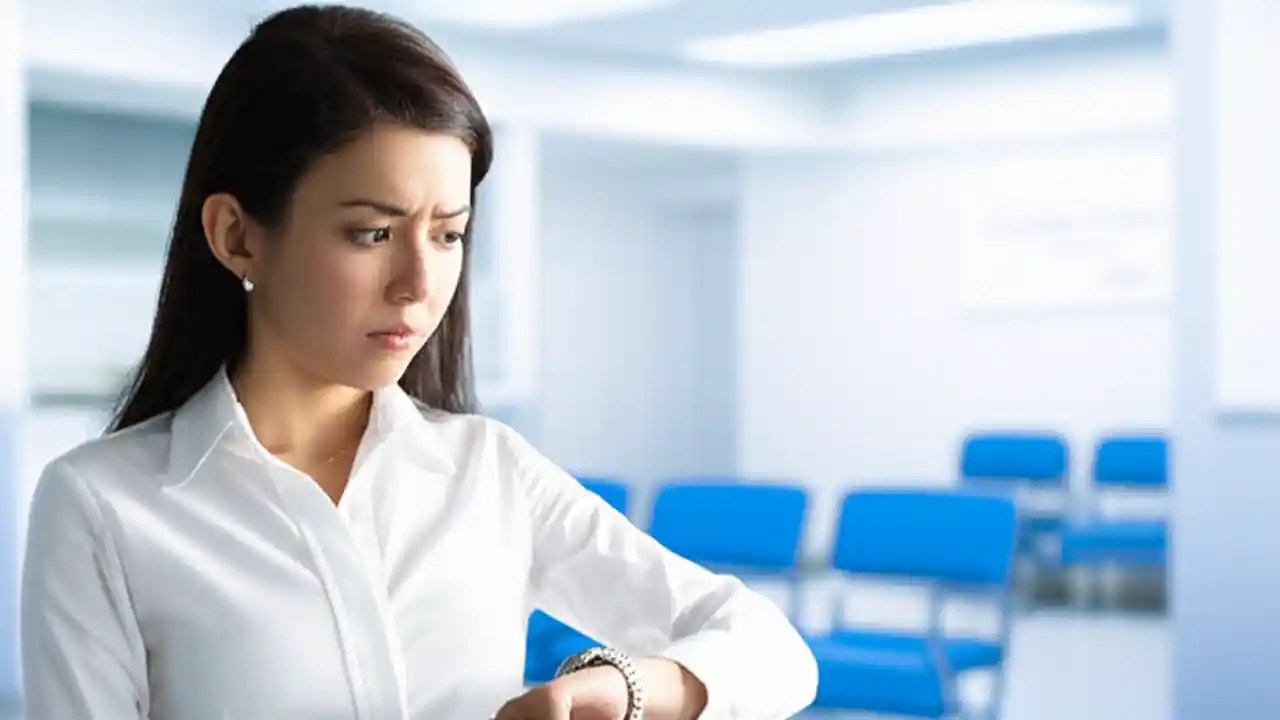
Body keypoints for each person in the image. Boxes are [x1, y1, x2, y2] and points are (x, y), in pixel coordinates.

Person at [19, 5, 818, 719]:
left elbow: (771, 650)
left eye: (448, 233)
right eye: (371, 233)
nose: (418, 285)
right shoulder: (102, 508)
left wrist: (630, 686)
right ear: (237, 235)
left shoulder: (490, 472)